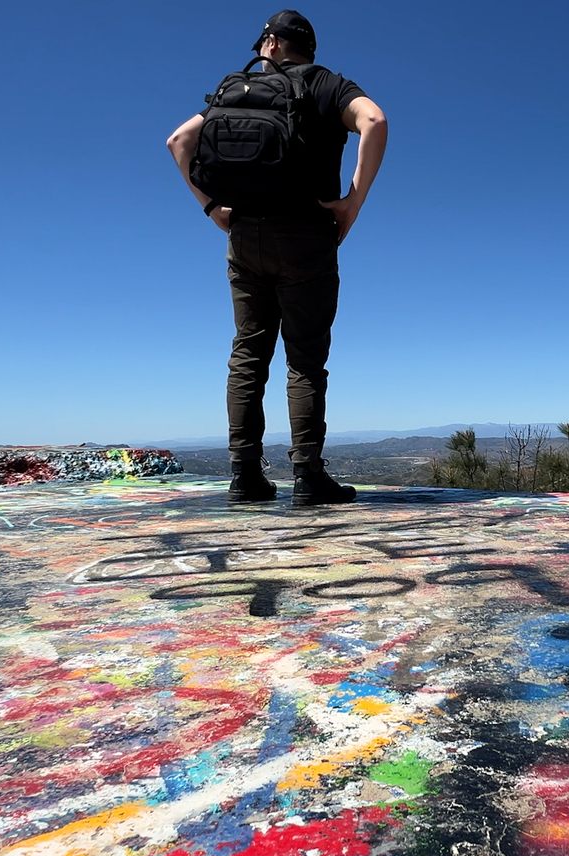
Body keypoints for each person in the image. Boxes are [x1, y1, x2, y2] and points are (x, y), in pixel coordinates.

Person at [166, 10, 387, 505]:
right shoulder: (327, 85)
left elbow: (178, 141)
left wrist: (210, 207)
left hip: (244, 235)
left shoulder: (235, 92)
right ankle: (308, 476)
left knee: (248, 354)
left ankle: (245, 475)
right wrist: (352, 203)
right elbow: (374, 120)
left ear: (269, 44)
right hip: (306, 234)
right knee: (304, 360)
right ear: (308, 47)